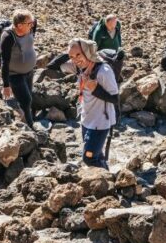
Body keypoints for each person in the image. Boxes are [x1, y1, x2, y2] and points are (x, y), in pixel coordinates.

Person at [50, 38, 119, 169]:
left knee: (89, 158)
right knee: (96, 155)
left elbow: (115, 99)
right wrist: (71, 52)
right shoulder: (78, 66)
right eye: (72, 57)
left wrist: (95, 89)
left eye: (78, 55)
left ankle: (106, 180)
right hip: (86, 119)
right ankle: (104, 177)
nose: (75, 60)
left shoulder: (104, 70)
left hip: (100, 122)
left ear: (87, 53)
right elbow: (51, 66)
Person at [0, 9, 37, 127]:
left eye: (32, 22)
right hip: (14, 75)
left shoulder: (31, 28)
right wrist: (6, 85)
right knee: (25, 100)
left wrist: (30, 21)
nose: (32, 25)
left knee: (29, 97)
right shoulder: (8, 37)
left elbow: (34, 22)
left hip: (29, 71)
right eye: (29, 23)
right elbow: (4, 62)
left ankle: (27, 118)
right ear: (19, 25)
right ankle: (30, 126)